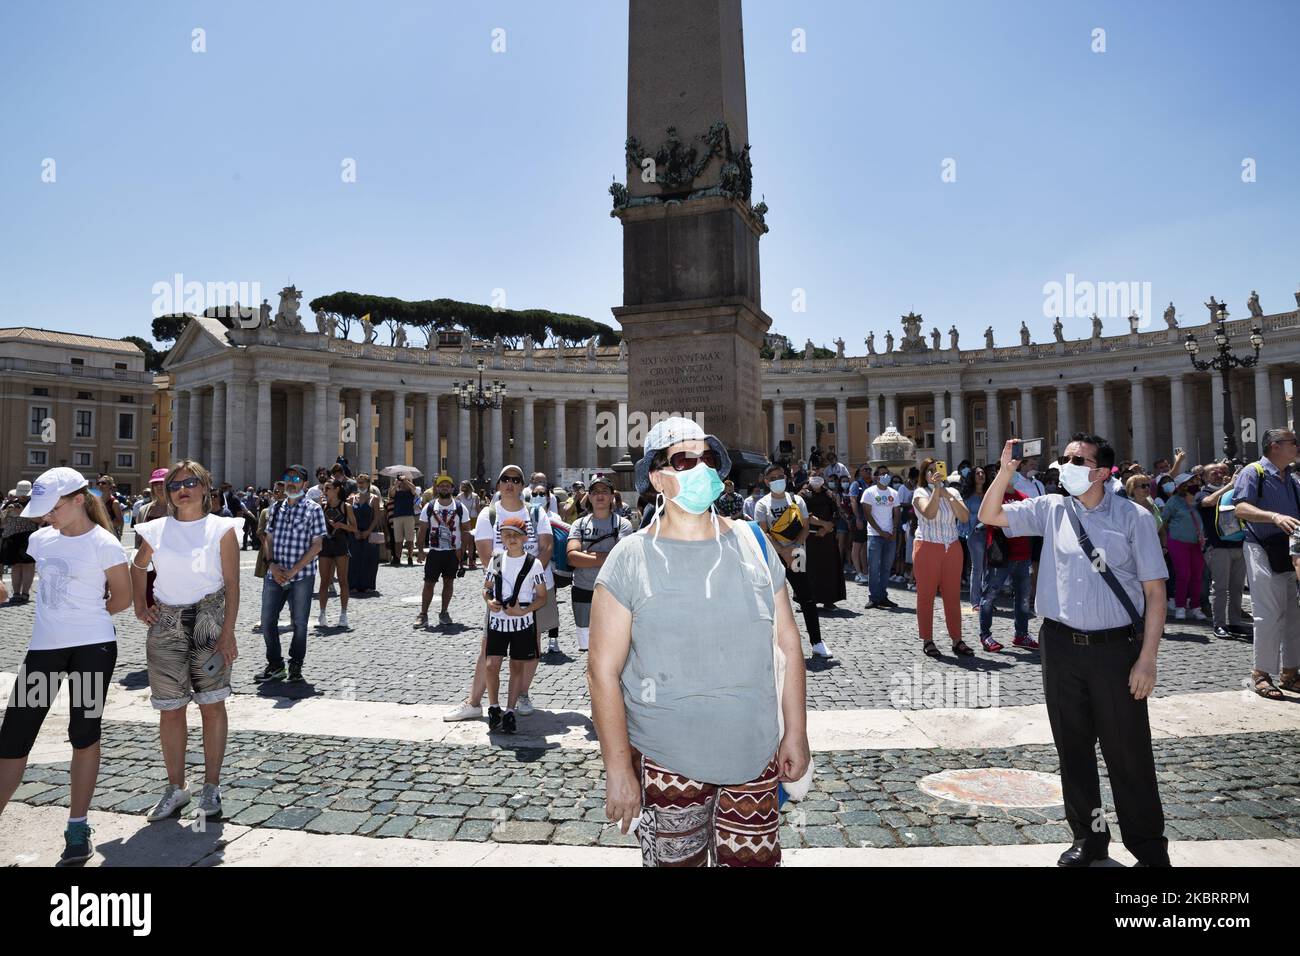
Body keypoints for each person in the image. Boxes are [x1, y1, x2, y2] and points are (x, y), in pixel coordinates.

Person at [590, 417, 809, 867]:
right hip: (667, 761)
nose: (701, 469)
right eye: (685, 459)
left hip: (755, 756)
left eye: (707, 458)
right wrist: (617, 770)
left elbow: (788, 645)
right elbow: (602, 672)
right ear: (656, 476)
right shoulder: (628, 559)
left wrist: (797, 733)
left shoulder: (755, 542)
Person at [980, 434, 1170, 867]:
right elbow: (990, 513)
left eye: (1077, 459)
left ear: (1102, 471)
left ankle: (1148, 847)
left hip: (1115, 649)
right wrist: (1006, 470)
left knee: (1128, 753)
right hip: (1061, 645)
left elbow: (1155, 594)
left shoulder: (1133, 517)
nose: (1065, 464)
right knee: (1074, 749)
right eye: (1064, 457)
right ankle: (1090, 836)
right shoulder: (1050, 508)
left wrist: (1148, 659)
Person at [0, 467, 131, 865]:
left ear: (78, 500)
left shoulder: (105, 544)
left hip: (92, 650)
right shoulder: (40, 539)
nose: (45, 516)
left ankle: (77, 825)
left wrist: (84, 619)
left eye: (52, 508)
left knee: (84, 734)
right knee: (14, 736)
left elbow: (122, 600)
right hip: (44, 651)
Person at [130, 460, 241, 824]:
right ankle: (176, 788)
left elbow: (233, 584)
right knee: (170, 708)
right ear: (168, 492)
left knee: (211, 706)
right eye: (176, 484)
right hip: (166, 623)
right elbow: (138, 565)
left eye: (192, 482)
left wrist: (227, 632)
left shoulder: (222, 528)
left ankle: (211, 787)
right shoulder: (155, 529)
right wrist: (139, 603)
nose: (183, 489)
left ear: (205, 488)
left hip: (208, 619)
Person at [443, 465, 553, 722]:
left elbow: (546, 548)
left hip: (533, 591)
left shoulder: (536, 512)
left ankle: (522, 696)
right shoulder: (488, 514)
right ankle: (474, 702)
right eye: (505, 479)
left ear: (522, 485)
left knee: (530, 646)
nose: (510, 483)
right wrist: (501, 590)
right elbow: (485, 556)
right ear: (498, 484)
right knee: (489, 650)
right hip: (501, 593)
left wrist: (526, 584)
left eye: (516, 480)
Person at [1231, 428, 1300, 700]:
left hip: (1289, 549)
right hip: (1260, 546)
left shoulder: (1291, 479)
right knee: (1268, 614)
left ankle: (1291, 672)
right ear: (1274, 446)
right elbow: (1241, 508)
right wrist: (1273, 516)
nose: (1296, 447)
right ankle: (1261, 673)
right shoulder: (1253, 472)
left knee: (1294, 615)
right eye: (1292, 442)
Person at [255, 464, 327, 685]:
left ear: (304, 484)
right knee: (267, 621)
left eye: (296, 479)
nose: (291, 482)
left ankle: (296, 664)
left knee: (300, 623)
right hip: (275, 574)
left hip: (301, 576)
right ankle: (276, 665)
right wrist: (273, 565)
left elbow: (317, 546)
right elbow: (268, 539)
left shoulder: (313, 509)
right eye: (287, 477)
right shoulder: (276, 508)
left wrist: (293, 570)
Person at [756, 462, 832, 658]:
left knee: (807, 597)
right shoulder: (762, 504)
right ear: (766, 481)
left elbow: (805, 527)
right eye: (772, 478)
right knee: (771, 600)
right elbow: (764, 533)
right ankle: (770, 644)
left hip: (797, 553)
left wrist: (795, 547)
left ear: (786, 477)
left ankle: (817, 642)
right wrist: (783, 551)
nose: (777, 481)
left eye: (780, 476)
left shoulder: (797, 500)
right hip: (774, 557)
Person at [481, 516, 548, 734]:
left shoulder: (534, 563)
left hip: (522, 623)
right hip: (497, 622)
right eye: (507, 535)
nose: (512, 539)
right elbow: (487, 587)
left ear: (525, 538)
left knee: (516, 666)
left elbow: (541, 597)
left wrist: (523, 610)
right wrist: (489, 600)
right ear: (501, 538)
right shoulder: (497, 560)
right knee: (491, 665)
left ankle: (510, 710)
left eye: (516, 535)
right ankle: (493, 706)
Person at [911, 457, 973, 658]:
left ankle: (957, 639)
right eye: (929, 470)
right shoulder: (920, 493)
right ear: (924, 475)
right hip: (928, 547)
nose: (934, 473)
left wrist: (947, 493)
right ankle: (927, 639)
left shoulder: (953, 492)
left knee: (953, 597)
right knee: (926, 596)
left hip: (952, 547)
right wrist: (937, 491)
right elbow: (929, 513)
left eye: (937, 469)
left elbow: (964, 517)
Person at [567, 475, 632, 652]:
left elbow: (621, 558)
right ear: (589, 496)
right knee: (587, 648)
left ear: (612, 496)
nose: (600, 496)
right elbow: (572, 557)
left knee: (614, 645)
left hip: (613, 591)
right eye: (595, 492)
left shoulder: (623, 524)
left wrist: (586, 555)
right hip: (582, 590)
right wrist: (606, 556)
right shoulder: (579, 524)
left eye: (605, 492)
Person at [977, 464, 1033, 652]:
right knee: (990, 595)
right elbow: (987, 519)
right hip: (1000, 556)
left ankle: (1021, 634)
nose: (1013, 477)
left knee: (1023, 598)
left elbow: (1029, 521)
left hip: (1022, 554)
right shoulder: (995, 497)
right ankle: (985, 635)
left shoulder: (1024, 497)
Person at [1196, 462, 1249, 639]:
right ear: (1203, 477)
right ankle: (1219, 624)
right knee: (1220, 588)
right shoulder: (1202, 493)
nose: (1218, 474)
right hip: (1217, 547)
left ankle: (1235, 622)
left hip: (1238, 545)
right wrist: (1229, 486)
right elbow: (1209, 502)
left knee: (1237, 587)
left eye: (1221, 471)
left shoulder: (1233, 491)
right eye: (1213, 472)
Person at [416, 473, 471, 628]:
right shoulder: (430, 506)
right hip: (434, 551)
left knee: (448, 582)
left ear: (452, 488)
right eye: (441, 485)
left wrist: (463, 551)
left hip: (453, 551)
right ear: (437, 488)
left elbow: (466, 530)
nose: (445, 488)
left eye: (447, 485)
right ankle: (423, 614)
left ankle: (444, 612)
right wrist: (420, 550)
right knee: (428, 583)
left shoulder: (460, 507)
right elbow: (422, 529)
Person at [1161, 473, 1206, 621]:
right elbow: (1164, 520)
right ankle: (1180, 606)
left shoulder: (1198, 499)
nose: (1196, 483)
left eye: (1196, 480)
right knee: (1183, 574)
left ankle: (1196, 607)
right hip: (1178, 541)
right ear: (1183, 486)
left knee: (1197, 575)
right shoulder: (1174, 501)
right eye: (1192, 481)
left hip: (1196, 543)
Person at [800, 467, 846, 610]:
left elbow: (836, 512)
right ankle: (807, 600)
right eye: (814, 475)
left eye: (820, 475)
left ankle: (828, 599)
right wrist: (822, 524)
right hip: (810, 536)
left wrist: (828, 527)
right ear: (809, 477)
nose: (818, 477)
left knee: (829, 568)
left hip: (827, 536)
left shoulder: (829, 494)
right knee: (809, 569)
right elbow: (803, 514)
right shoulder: (802, 494)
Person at [316, 478, 356, 629]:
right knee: (324, 581)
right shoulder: (322, 507)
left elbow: (354, 528)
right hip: (326, 545)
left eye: (328, 488)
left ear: (337, 489)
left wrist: (341, 525)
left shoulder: (346, 507)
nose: (325, 491)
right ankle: (322, 613)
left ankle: (343, 614)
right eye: (324, 488)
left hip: (340, 544)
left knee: (343, 580)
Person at [862, 466, 901, 609]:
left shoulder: (894, 493)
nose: (885, 476)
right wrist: (879, 531)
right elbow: (867, 514)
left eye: (887, 473)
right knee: (874, 567)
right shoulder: (869, 492)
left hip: (890, 535)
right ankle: (873, 597)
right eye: (882, 474)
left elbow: (897, 513)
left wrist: (894, 530)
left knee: (886, 567)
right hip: (874, 535)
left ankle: (883, 596)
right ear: (876, 476)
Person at [1, 481, 38, 605]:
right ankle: (16, 593)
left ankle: (25, 593)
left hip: (27, 536)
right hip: (11, 537)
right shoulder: (10, 502)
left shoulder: (34, 503)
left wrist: (22, 512)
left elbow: (41, 520)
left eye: (24, 494)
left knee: (27, 565)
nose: (22, 496)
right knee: (15, 565)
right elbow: (2, 521)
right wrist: (7, 512)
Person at [348, 474, 383, 594]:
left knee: (370, 559)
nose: (360, 485)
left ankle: (368, 585)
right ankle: (353, 585)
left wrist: (368, 531)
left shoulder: (374, 498)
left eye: (363, 482)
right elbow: (348, 517)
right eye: (359, 482)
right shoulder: (351, 499)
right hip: (355, 532)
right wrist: (355, 530)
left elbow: (377, 517)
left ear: (368, 484)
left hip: (370, 531)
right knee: (354, 559)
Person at [961, 466, 988, 611]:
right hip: (975, 534)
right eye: (978, 473)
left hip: (990, 534)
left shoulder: (989, 494)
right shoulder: (968, 496)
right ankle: (975, 601)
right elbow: (963, 516)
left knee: (988, 569)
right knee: (977, 568)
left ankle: (987, 600)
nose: (981, 475)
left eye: (982, 472)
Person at [387, 474, 420, 567]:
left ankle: (410, 557)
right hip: (397, 517)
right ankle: (397, 557)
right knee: (398, 539)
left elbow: (414, 489)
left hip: (409, 516)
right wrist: (397, 484)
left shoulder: (410, 491)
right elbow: (391, 494)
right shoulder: (395, 491)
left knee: (410, 539)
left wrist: (406, 481)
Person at [847, 465, 872, 585]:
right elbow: (853, 500)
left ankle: (865, 571)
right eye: (865, 470)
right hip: (859, 519)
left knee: (864, 546)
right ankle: (858, 572)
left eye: (869, 470)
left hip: (868, 520)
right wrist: (858, 518)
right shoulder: (856, 484)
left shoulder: (871, 484)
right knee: (857, 546)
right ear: (860, 472)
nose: (868, 471)